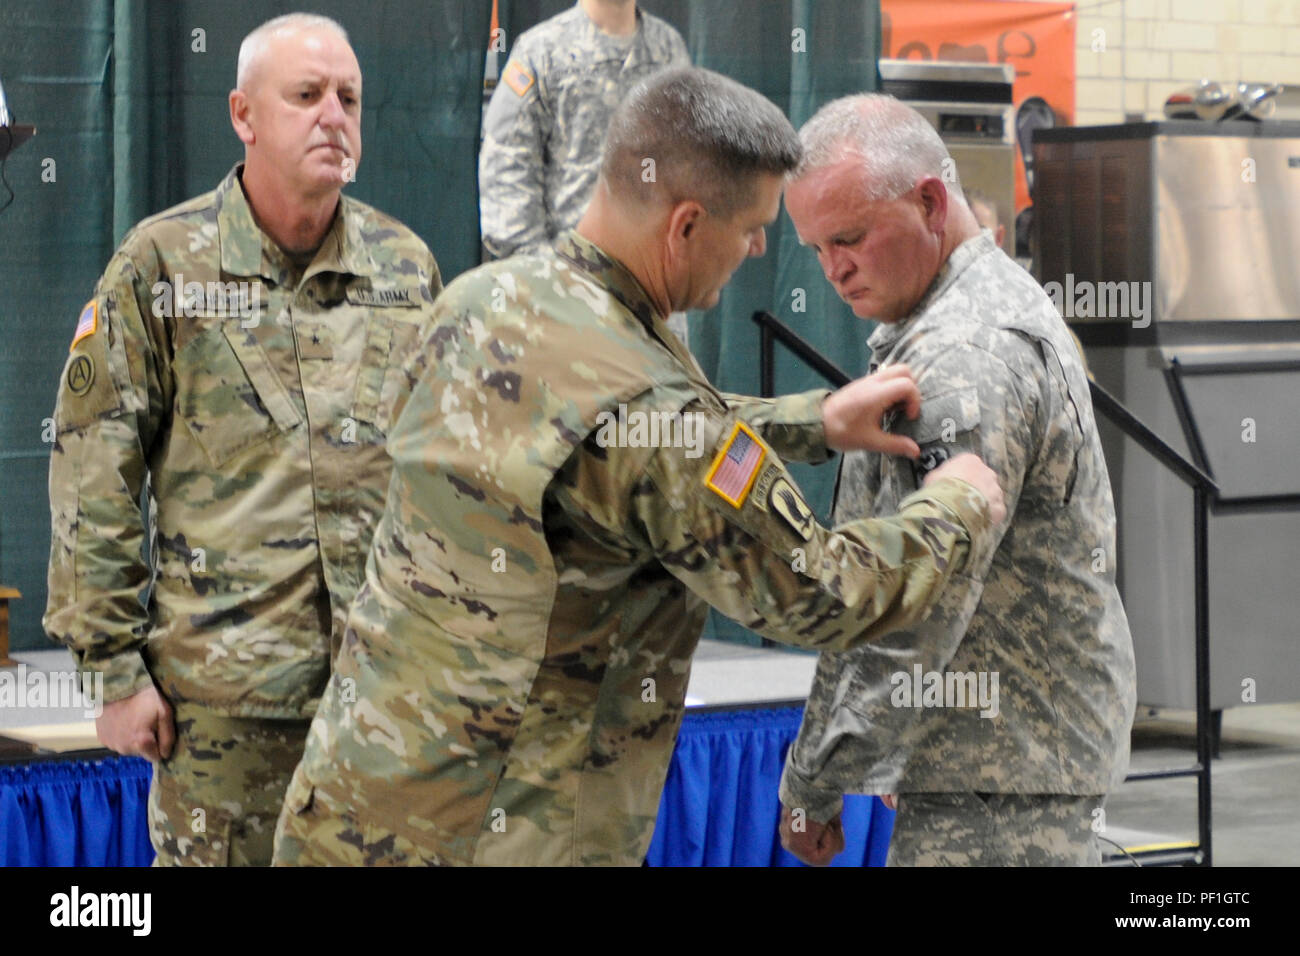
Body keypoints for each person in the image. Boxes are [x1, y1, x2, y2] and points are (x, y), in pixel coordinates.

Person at [273, 67, 1006, 867]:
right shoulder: (662, 421)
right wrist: (957, 509)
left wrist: (810, 423)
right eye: (754, 226)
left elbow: (594, 449)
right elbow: (822, 595)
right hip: (511, 832)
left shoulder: (481, 301)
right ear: (685, 225)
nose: (760, 248)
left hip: (351, 806)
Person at [43, 13, 443, 866]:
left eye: (350, 97)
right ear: (243, 114)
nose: (334, 115)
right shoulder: (164, 266)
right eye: (306, 95)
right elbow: (93, 468)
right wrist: (113, 670)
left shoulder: (406, 269)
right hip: (226, 711)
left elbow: (445, 476)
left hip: (382, 703)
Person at [777, 93, 1136, 867]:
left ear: (931, 204)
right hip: (1000, 760)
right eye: (815, 249)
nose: (834, 269)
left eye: (849, 238)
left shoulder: (966, 353)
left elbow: (918, 606)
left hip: (1001, 773)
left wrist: (815, 776)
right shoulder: (960, 311)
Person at [479, 0, 690, 342]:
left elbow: (687, 165)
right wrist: (550, 285)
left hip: (657, 313)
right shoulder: (541, 51)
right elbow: (505, 178)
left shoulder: (668, 49)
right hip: (565, 313)